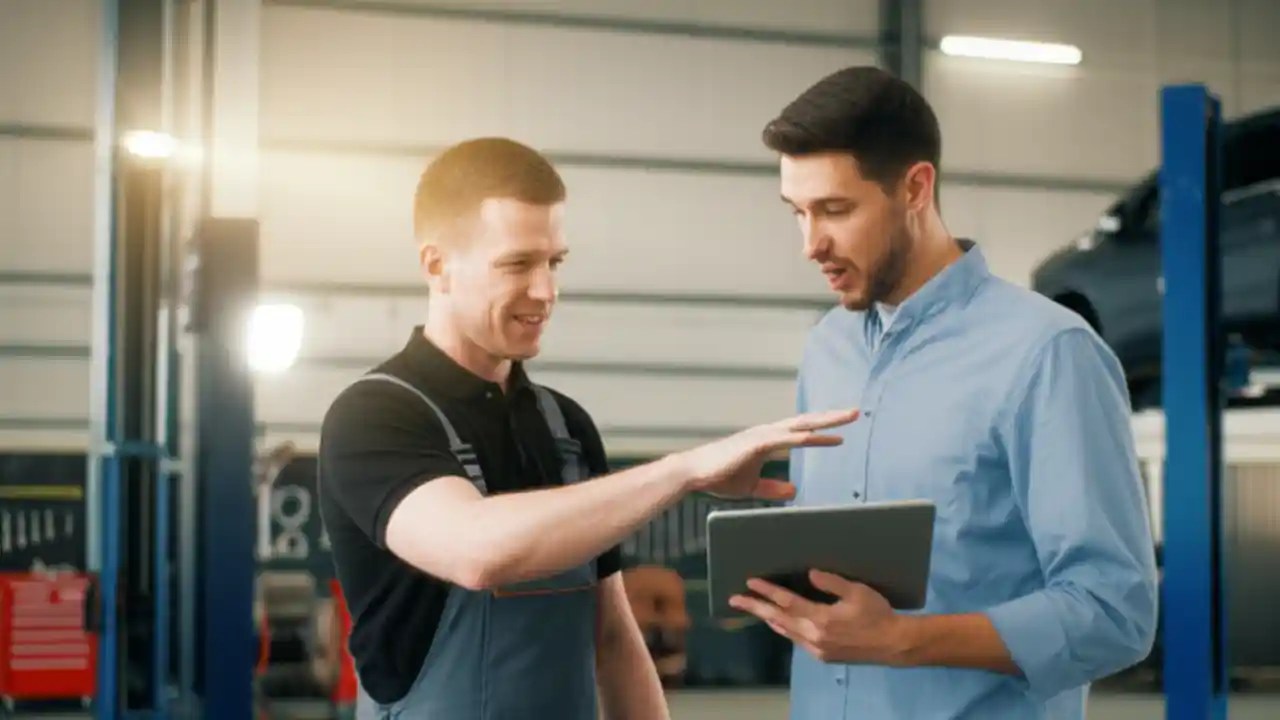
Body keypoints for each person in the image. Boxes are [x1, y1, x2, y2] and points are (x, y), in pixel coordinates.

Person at [316, 137, 859, 720]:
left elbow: (615, 644)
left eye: (554, 262)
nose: (546, 292)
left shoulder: (565, 429)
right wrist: (685, 470)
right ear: (437, 264)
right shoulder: (373, 417)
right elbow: (477, 551)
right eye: (517, 264)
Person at [727, 66, 1159, 719]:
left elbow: (1114, 610)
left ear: (916, 188)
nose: (811, 244)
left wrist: (904, 641)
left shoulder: (1047, 355)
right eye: (798, 212)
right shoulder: (827, 350)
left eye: (836, 210)